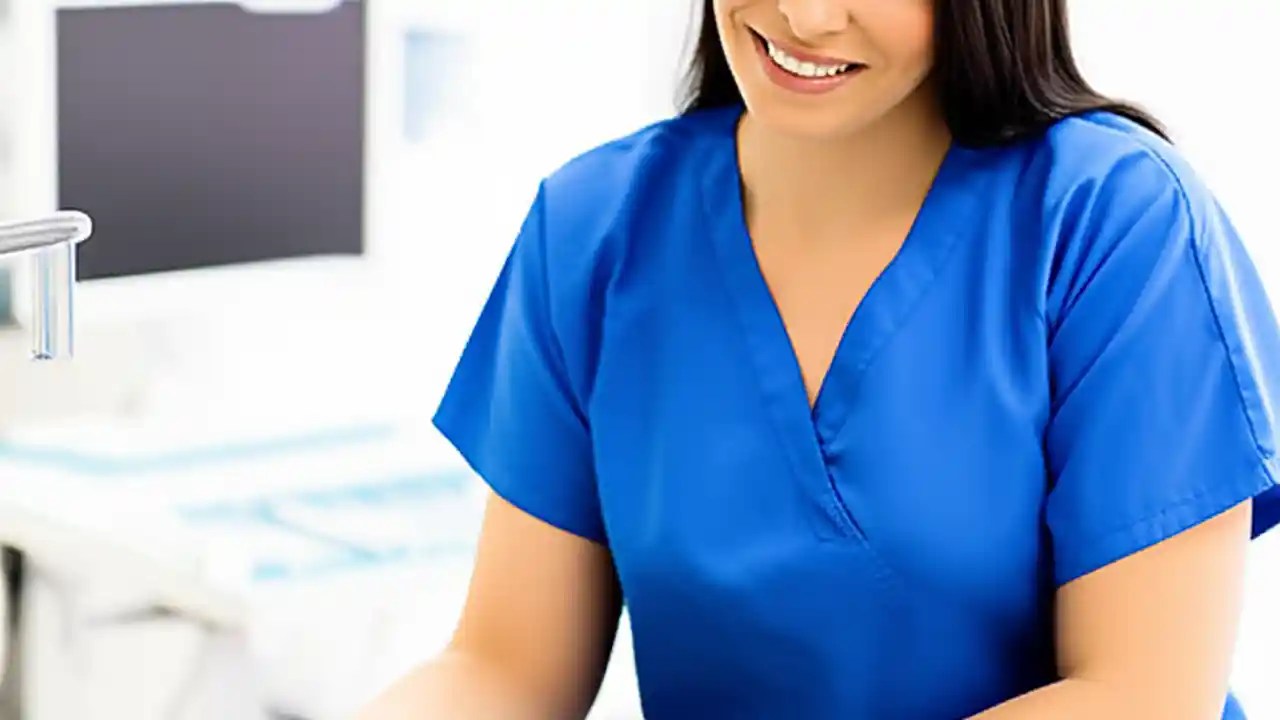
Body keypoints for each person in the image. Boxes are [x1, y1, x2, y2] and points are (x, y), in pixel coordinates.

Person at [360, 1, 1280, 717]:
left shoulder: (1111, 223)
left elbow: (1142, 699)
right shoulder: (595, 227)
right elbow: (509, 666)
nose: (805, 19)